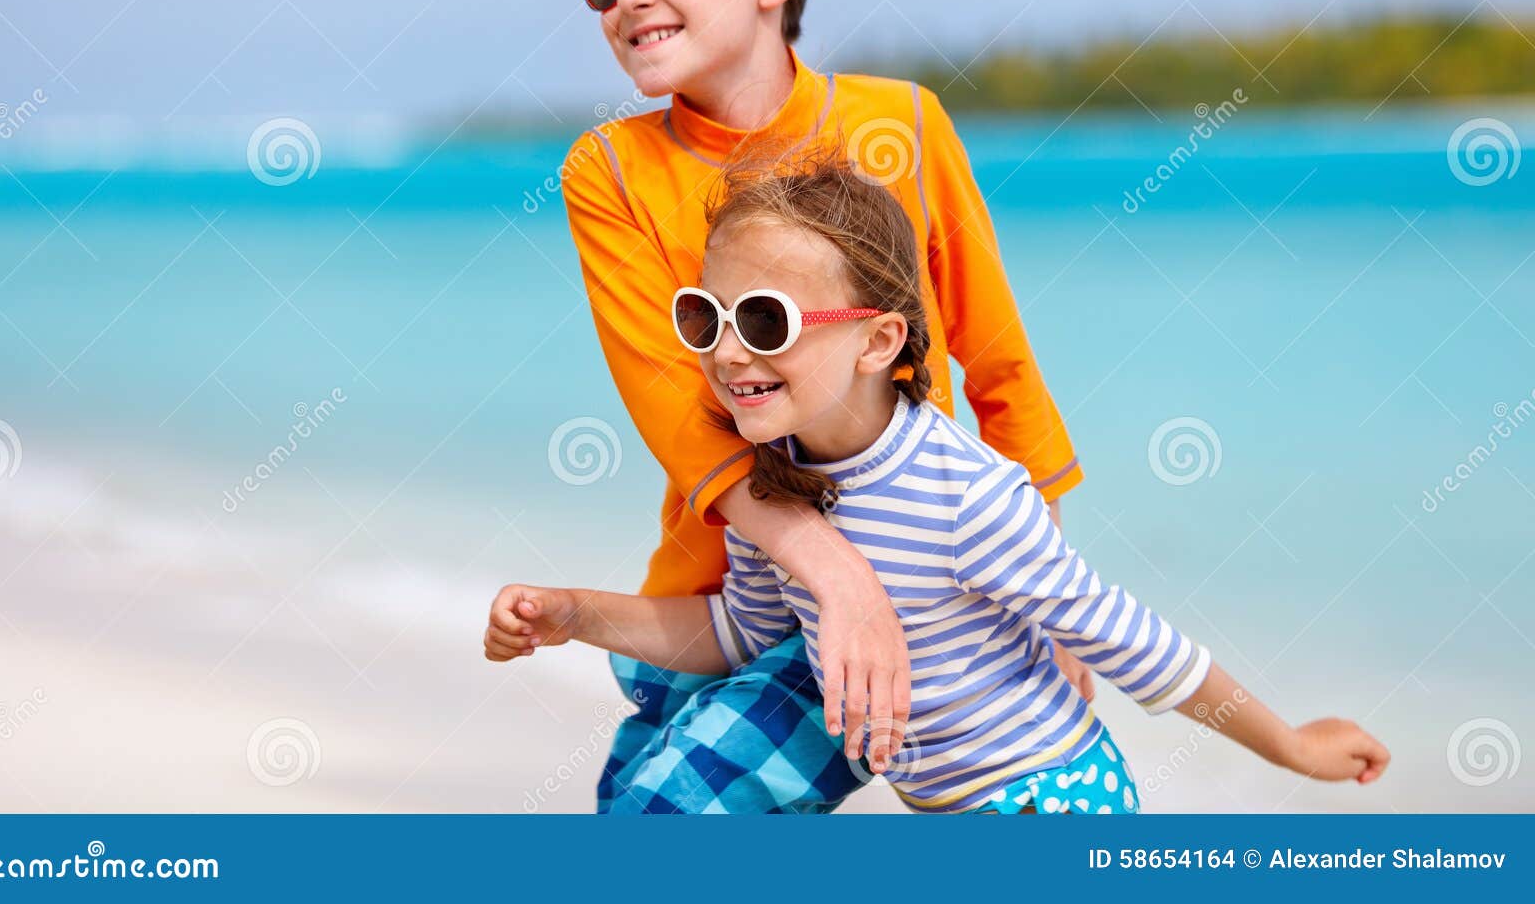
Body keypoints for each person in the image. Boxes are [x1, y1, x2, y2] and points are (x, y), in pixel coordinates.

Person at [489, 145, 1390, 813]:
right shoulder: (775, 483)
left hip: (1052, 803)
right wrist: (576, 614)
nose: (726, 353)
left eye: (765, 321)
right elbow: (735, 635)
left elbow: (1139, 648)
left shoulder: (968, 495)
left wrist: (1292, 747)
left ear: (879, 339)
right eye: (707, 315)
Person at [555, 0, 1088, 815]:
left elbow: (1001, 367)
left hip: (913, 586)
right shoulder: (611, 170)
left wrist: (1048, 615)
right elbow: (674, 408)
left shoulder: (904, 127)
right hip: (716, 596)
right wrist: (820, 564)